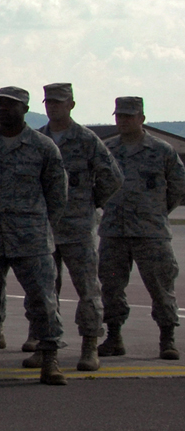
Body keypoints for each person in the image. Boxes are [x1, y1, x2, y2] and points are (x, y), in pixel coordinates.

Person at [0, 86, 70, 384]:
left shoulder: (43, 147)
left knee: (42, 298)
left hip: (32, 238)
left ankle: (49, 357)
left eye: (10, 105)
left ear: (24, 110)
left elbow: (57, 194)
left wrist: (39, 224)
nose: (2, 110)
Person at [39, 82, 121, 370]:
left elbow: (112, 177)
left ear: (71, 104)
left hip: (78, 228)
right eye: (49, 102)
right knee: (45, 291)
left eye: (59, 102)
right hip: (46, 229)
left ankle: (89, 345)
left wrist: (90, 203)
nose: (53, 106)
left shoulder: (86, 140)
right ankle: (46, 345)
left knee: (87, 290)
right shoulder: (39, 140)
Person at [99, 96, 185, 360]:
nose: (123, 121)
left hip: (151, 232)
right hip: (114, 231)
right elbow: (98, 186)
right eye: (119, 116)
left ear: (142, 118)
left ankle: (167, 339)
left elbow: (178, 187)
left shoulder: (162, 150)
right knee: (111, 287)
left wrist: (156, 212)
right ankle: (114, 337)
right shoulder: (107, 150)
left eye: (129, 116)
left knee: (161, 287)